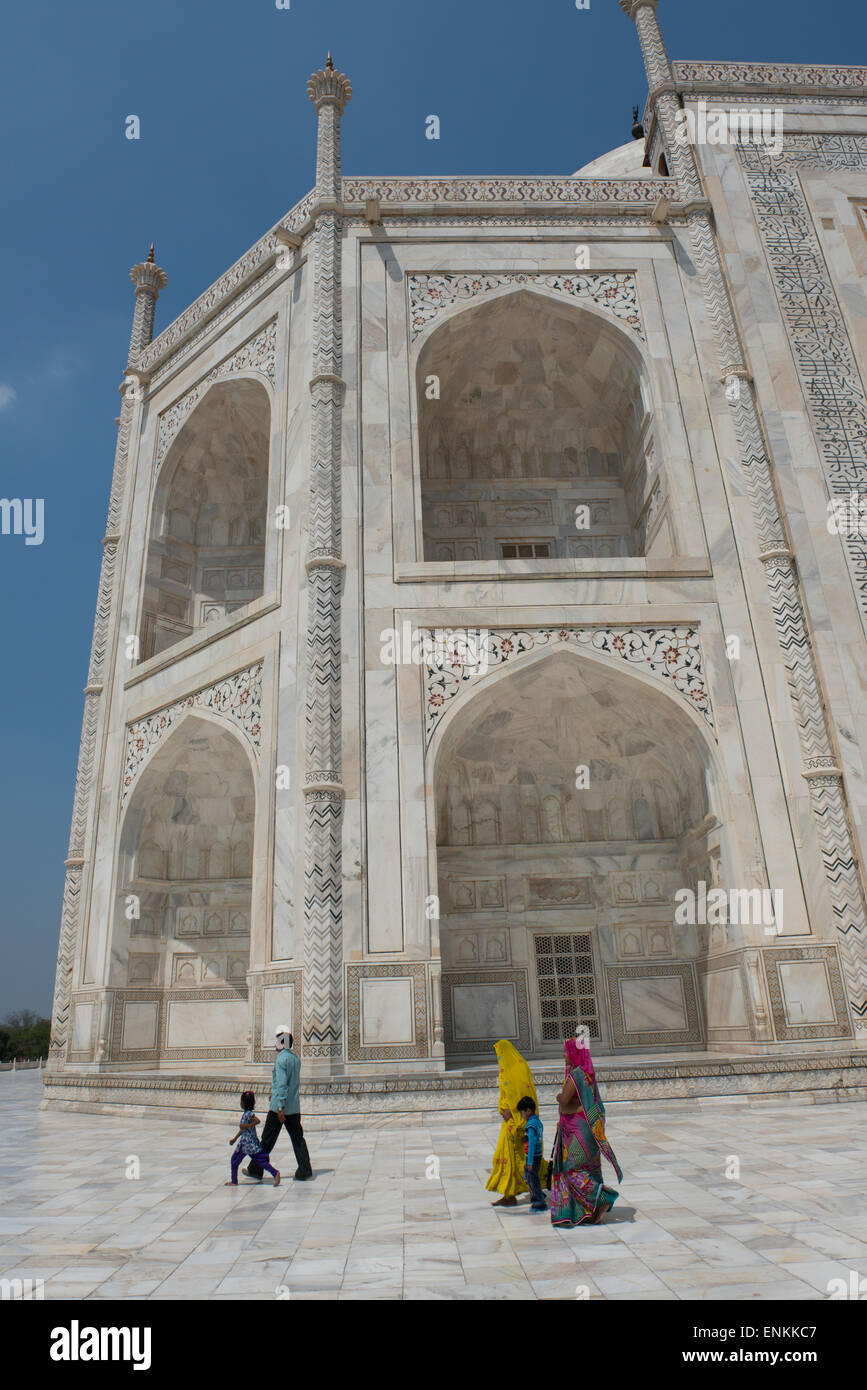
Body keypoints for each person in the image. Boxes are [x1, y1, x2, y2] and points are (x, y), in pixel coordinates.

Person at [550, 1037, 622, 1227]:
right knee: (588, 1168)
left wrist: (558, 1096)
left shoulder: (577, 1075)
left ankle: (603, 1197)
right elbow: (578, 1104)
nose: (564, 1055)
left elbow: (564, 1100)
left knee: (572, 1169)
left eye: (566, 1051)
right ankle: (589, 1212)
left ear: (574, 1053)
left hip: (579, 1132)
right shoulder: (587, 1075)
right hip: (585, 1129)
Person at [243, 1027, 313, 1182]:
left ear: (283, 1043)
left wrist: (280, 1106)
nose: (275, 1043)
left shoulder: (281, 1059)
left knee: (267, 1139)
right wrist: (274, 1093)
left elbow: (282, 1084)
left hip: (279, 1109)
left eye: (277, 1040)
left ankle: (255, 1169)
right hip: (294, 1107)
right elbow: (288, 1082)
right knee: (297, 1139)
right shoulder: (295, 1059)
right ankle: (305, 1169)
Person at [485, 1039, 539, 1207]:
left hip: (518, 1123)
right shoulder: (506, 1070)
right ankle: (510, 1194)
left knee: (522, 1158)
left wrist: (514, 1112)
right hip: (509, 1123)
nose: (498, 1058)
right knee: (507, 1157)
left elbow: (523, 1093)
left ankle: (529, 1191)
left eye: (499, 1054)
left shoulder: (517, 1069)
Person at [226, 1090, 280, 1186]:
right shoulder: (246, 1114)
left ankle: (275, 1173)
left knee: (258, 1161)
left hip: (249, 1144)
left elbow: (257, 1121)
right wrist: (235, 1138)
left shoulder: (249, 1114)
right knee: (236, 1160)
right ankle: (234, 1181)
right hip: (244, 1143)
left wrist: (247, 1126)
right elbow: (242, 1129)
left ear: (243, 1103)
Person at [517, 1096, 547, 1213]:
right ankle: (538, 1193)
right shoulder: (538, 1122)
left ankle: (539, 1201)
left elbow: (532, 1144)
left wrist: (529, 1162)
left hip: (533, 1157)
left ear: (528, 1111)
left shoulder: (530, 1126)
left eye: (522, 1113)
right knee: (529, 1177)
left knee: (532, 1179)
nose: (521, 1115)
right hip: (537, 1156)